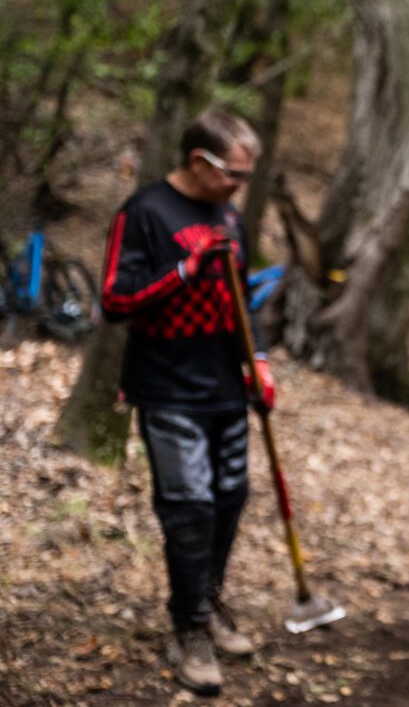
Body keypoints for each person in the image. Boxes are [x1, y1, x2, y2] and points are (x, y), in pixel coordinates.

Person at [101, 107, 275, 696]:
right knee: (189, 507)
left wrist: (262, 364)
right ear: (200, 162)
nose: (240, 187)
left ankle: (207, 598)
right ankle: (189, 627)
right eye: (235, 174)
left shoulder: (229, 216)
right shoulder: (145, 212)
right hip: (166, 387)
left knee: (230, 499)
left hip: (226, 386)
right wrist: (184, 268)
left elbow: (244, 300)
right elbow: (114, 301)